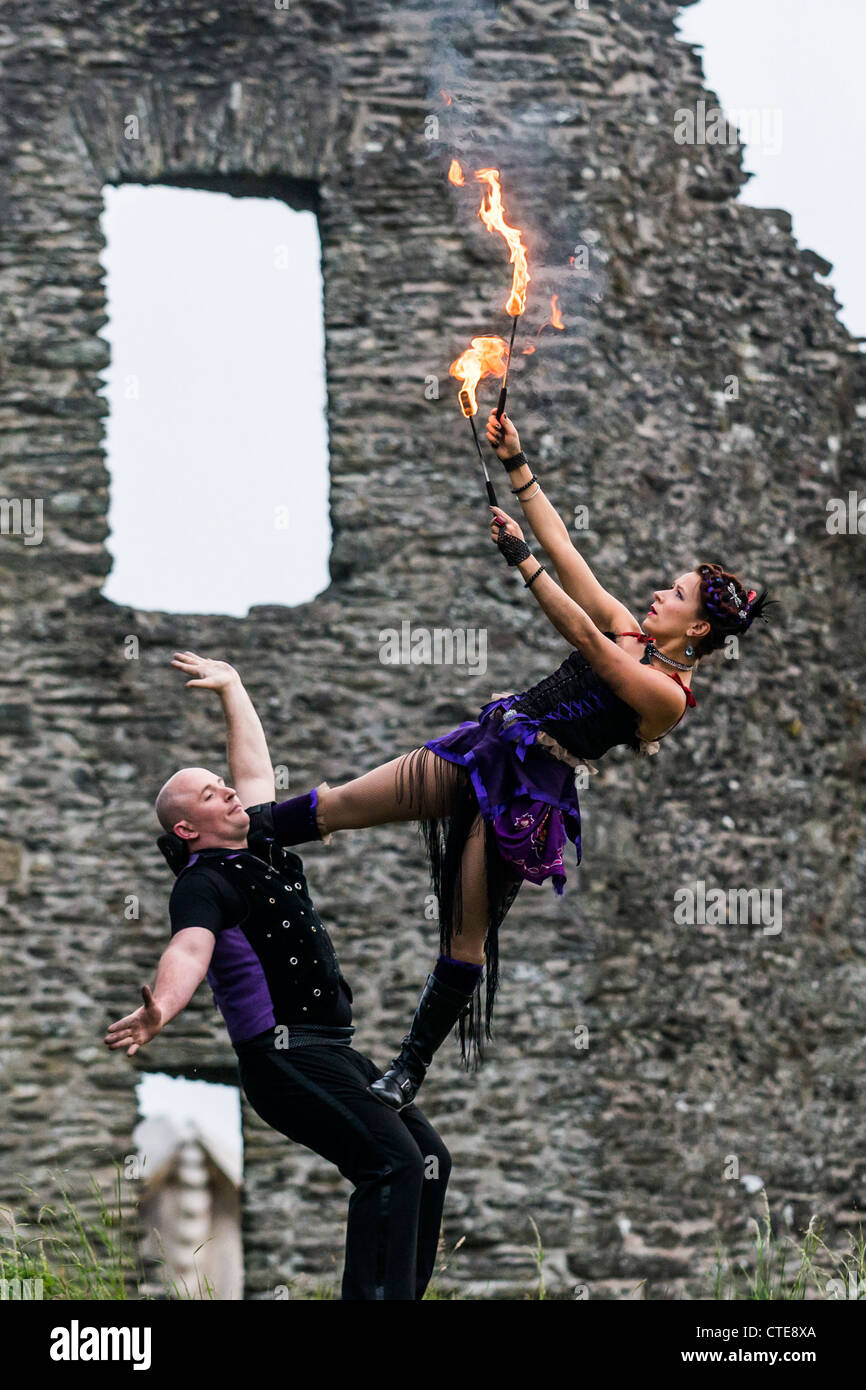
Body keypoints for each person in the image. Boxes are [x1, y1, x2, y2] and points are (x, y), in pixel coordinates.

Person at [258, 410, 777, 1114]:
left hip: (529, 798)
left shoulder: (667, 696)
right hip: (489, 746)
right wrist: (518, 464)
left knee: (466, 933)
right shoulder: (633, 626)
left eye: (676, 595)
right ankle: (243, 835)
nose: (659, 593)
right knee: (342, 804)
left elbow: (587, 643)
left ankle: (408, 1071)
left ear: (699, 628)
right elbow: (565, 546)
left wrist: (520, 561)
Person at [103, 657, 451, 1301]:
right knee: (393, 1163)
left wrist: (234, 687)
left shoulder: (258, 844)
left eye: (221, 785)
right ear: (188, 828)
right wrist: (163, 1009)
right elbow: (188, 949)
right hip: (283, 1057)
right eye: (212, 794)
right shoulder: (202, 885)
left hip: (333, 1051)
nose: (229, 793)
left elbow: (255, 771)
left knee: (429, 1163)